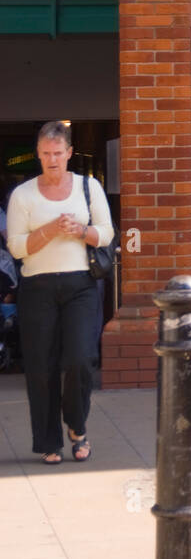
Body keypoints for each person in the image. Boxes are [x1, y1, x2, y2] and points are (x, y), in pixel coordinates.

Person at [6, 122, 113, 464]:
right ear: (38, 154)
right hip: (37, 287)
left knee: (80, 359)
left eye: (58, 153)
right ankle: (49, 442)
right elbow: (18, 247)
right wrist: (50, 230)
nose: (52, 160)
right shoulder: (23, 195)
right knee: (41, 367)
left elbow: (107, 233)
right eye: (46, 154)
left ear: (69, 153)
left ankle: (77, 427)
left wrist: (81, 230)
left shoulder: (88, 187)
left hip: (80, 284)